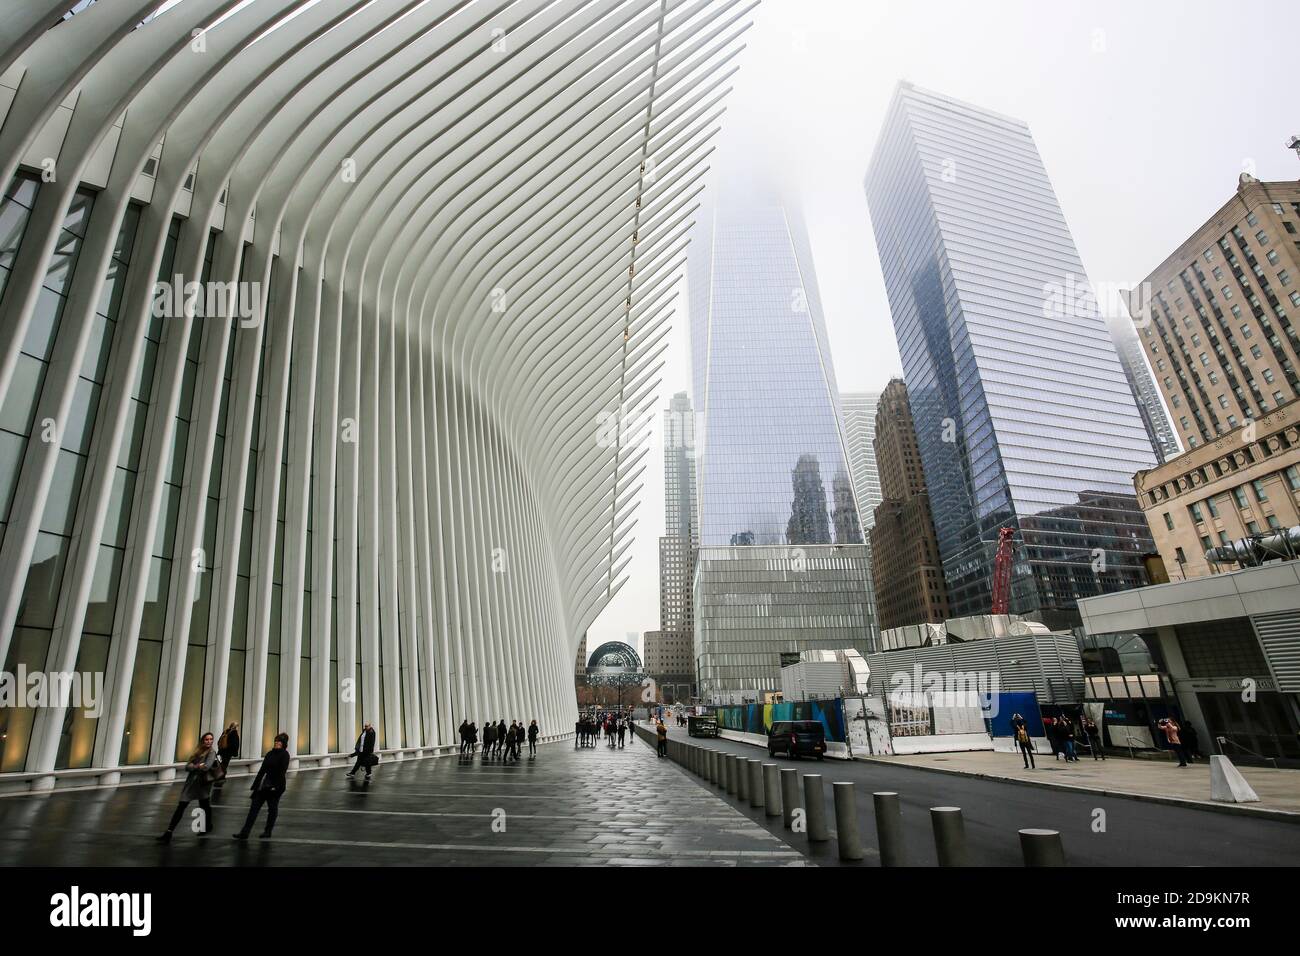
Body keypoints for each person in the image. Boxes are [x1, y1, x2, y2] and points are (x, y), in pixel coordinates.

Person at [158, 732, 219, 842]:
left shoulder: (212, 752)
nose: (209, 741)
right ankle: (169, 831)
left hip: (203, 784)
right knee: (181, 806)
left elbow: (206, 767)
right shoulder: (198, 751)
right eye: (206, 739)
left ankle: (207, 825)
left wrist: (195, 766)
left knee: (204, 806)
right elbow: (187, 767)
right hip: (191, 784)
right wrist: (197, 766)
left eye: (211, 739)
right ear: (202, 740)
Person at [234, 732, 291, 840]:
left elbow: (281, 772)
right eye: (275, 741)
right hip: (264, 786)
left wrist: (275, 786)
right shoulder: (270, 753)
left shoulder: (284, 755)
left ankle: (268, 831)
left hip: (275, 787)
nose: (276, 743)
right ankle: (244, 832)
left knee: (272, 809)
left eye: (279, 741)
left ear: (283, 744)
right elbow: (262, 770)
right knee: (254, 809)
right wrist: (256, 785)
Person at [216, 722, 240, 788]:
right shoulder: (234, 733)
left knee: (220, 765)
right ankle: (220, 781)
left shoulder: (225, 731)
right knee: (223, 766)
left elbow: (218, 742)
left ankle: (217, 780)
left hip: (220, 753)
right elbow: (234, 745)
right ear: (236, 727)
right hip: (227, 754)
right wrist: (233, 753)